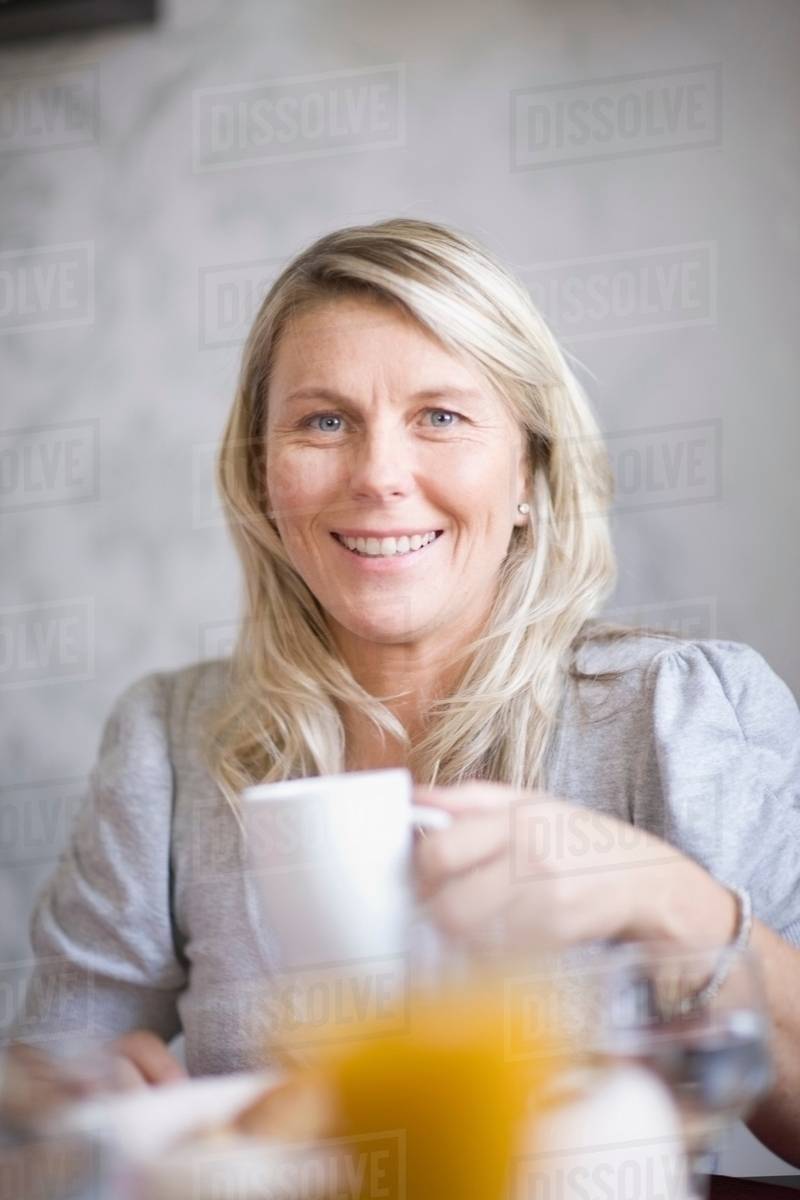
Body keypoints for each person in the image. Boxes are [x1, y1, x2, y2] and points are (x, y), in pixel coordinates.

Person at [11, 220, 800, 1163]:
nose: (380, 476)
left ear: (529, 470)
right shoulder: (171, 741)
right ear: (263, 477)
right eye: (325, 421)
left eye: (441, 417)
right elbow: (39, 1091)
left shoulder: (676, 715)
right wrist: (69, 1098)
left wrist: (670, 899)